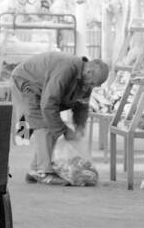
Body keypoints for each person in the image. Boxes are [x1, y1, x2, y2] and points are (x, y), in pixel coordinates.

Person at [10, 52, 109, 184]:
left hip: (44, 90)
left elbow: (82, 104)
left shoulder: (86, 80)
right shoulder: (66, 69)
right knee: (43, 123)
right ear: (89, 72)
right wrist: (63, 131)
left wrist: (80, 126)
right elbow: (48, 104)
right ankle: (44, 172)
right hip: (26, 81)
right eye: (92, 83)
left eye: (93, 85)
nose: (90, 87)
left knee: (51, 125)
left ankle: (35, 170)